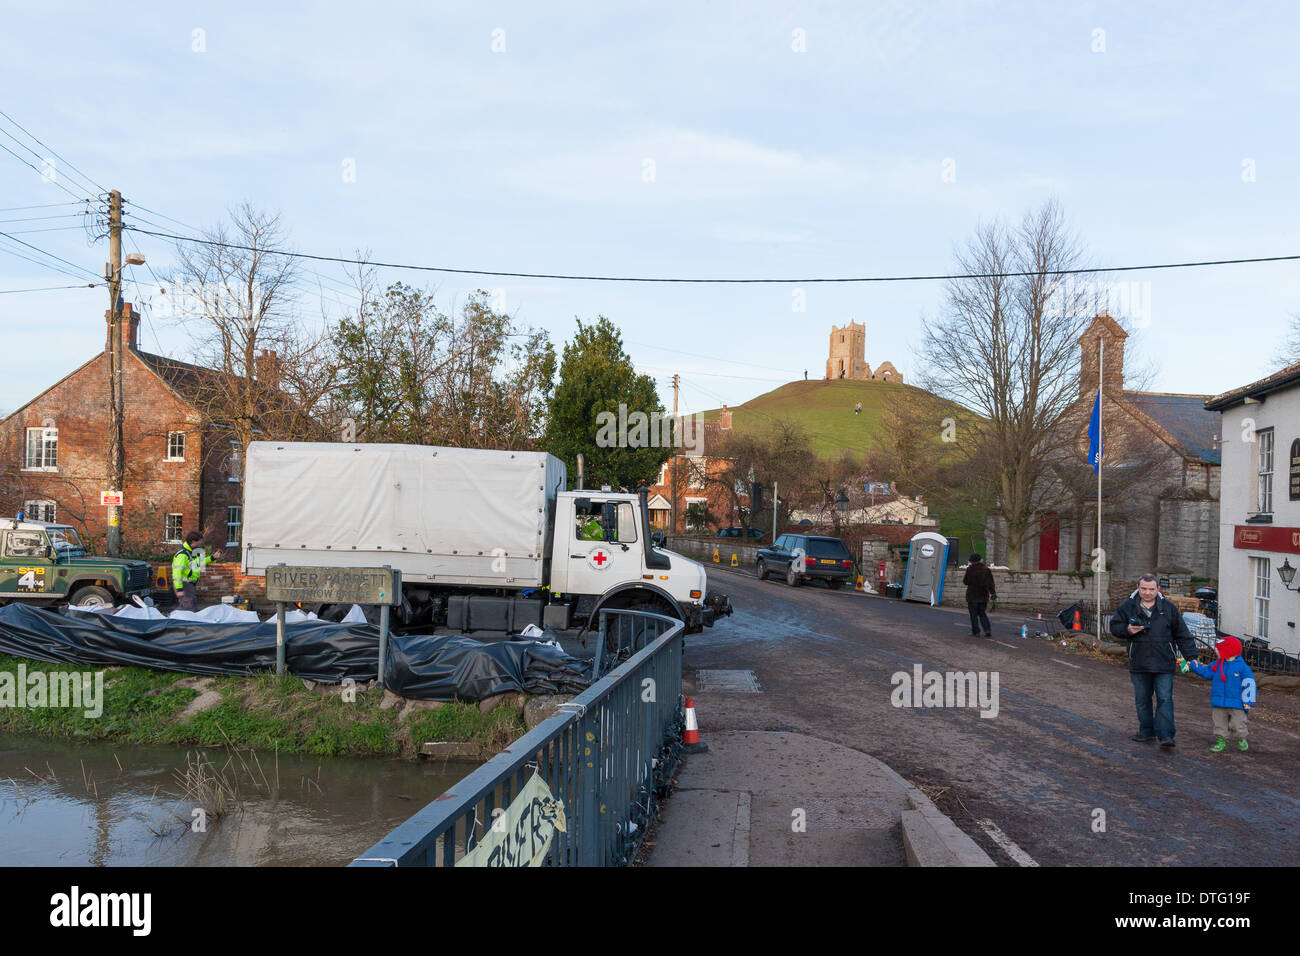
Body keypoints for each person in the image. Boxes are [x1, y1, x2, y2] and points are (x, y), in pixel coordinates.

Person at [1110, 573, 1198, 748]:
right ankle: (1146, 731)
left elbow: (1182, 634)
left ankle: (1166, 735)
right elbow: (1114, 627)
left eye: (1151, 589)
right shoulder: (1127, 607)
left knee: (1165, 698)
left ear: (1158, 589)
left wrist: (1192, 658)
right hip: (1139, 661)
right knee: (1142, 699)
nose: (1148, 593)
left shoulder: (1169, 608)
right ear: (1138, 588)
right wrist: (1127, 629)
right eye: (1144, 588)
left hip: (1164, 662)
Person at [1179, 635, 1256, 752]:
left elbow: (1249, 683)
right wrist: (1194, 666)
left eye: (1219, 650)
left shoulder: (1242, 668)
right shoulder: (1217, 664)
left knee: (1237, 724)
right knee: (1219, 724)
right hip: (1218, 701)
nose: (1216, 651)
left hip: (1237, 702)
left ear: (1228, 651)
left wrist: (1248, 701)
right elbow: (1206, 672)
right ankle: (1221, 743)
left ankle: (1241, 738)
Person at [171, 531, 207, 611]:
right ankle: (174, 620)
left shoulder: (193, 553)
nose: (200, 544)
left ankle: (181, 621)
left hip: (189, 585)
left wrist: (213, 557)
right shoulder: (183, 555)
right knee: (188, 608)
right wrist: (179, 589)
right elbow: (177, 573)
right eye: (199, 542)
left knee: (191, 607)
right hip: (184, 585)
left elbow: (200, 562)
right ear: (193, 541)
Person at [962, 553, 996, 637]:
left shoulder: (970, 569)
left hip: (972, 596)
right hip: (983, 595)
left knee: (973, 615)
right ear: (980, 560)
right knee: (982, 613)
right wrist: (993, 593)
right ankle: (987, 629)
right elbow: (990, 583)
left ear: (972, 561)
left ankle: (976, 631)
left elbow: (965, 582)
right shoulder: (986, 569)